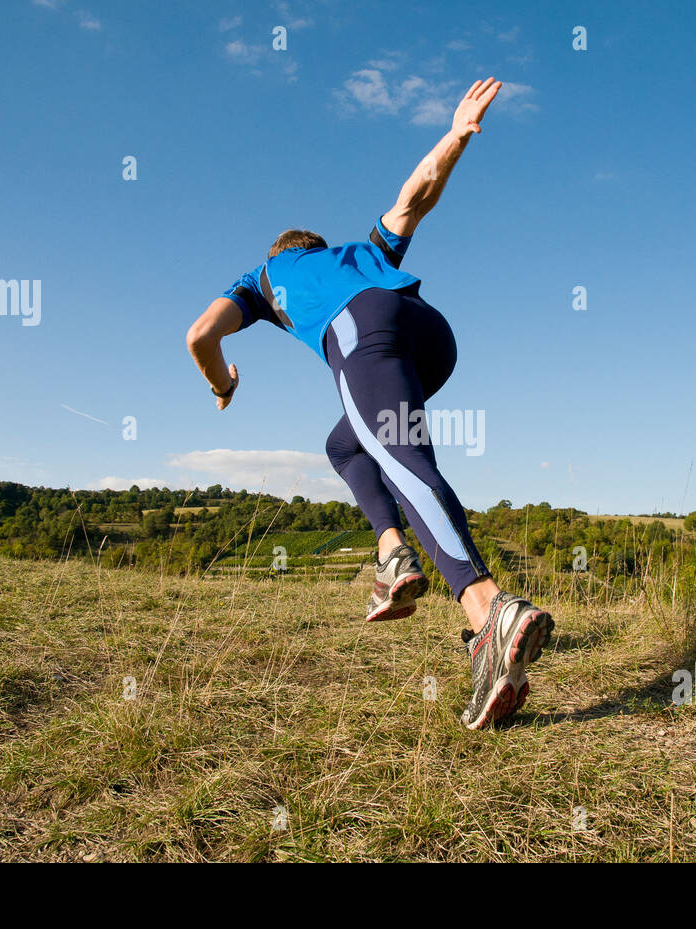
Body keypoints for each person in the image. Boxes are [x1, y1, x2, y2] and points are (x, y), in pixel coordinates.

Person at [186, 78, 553, 729]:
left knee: (406, 465)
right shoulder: (357, 251)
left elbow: (200, 335)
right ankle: (402, 563)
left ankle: (490, 606)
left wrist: (223, 385)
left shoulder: (265, 279)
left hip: (365, 336)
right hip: (427, 336)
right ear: (315, 244)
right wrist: (456, 135)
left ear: (277, 257)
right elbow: (414, 199)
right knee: (348, 443)